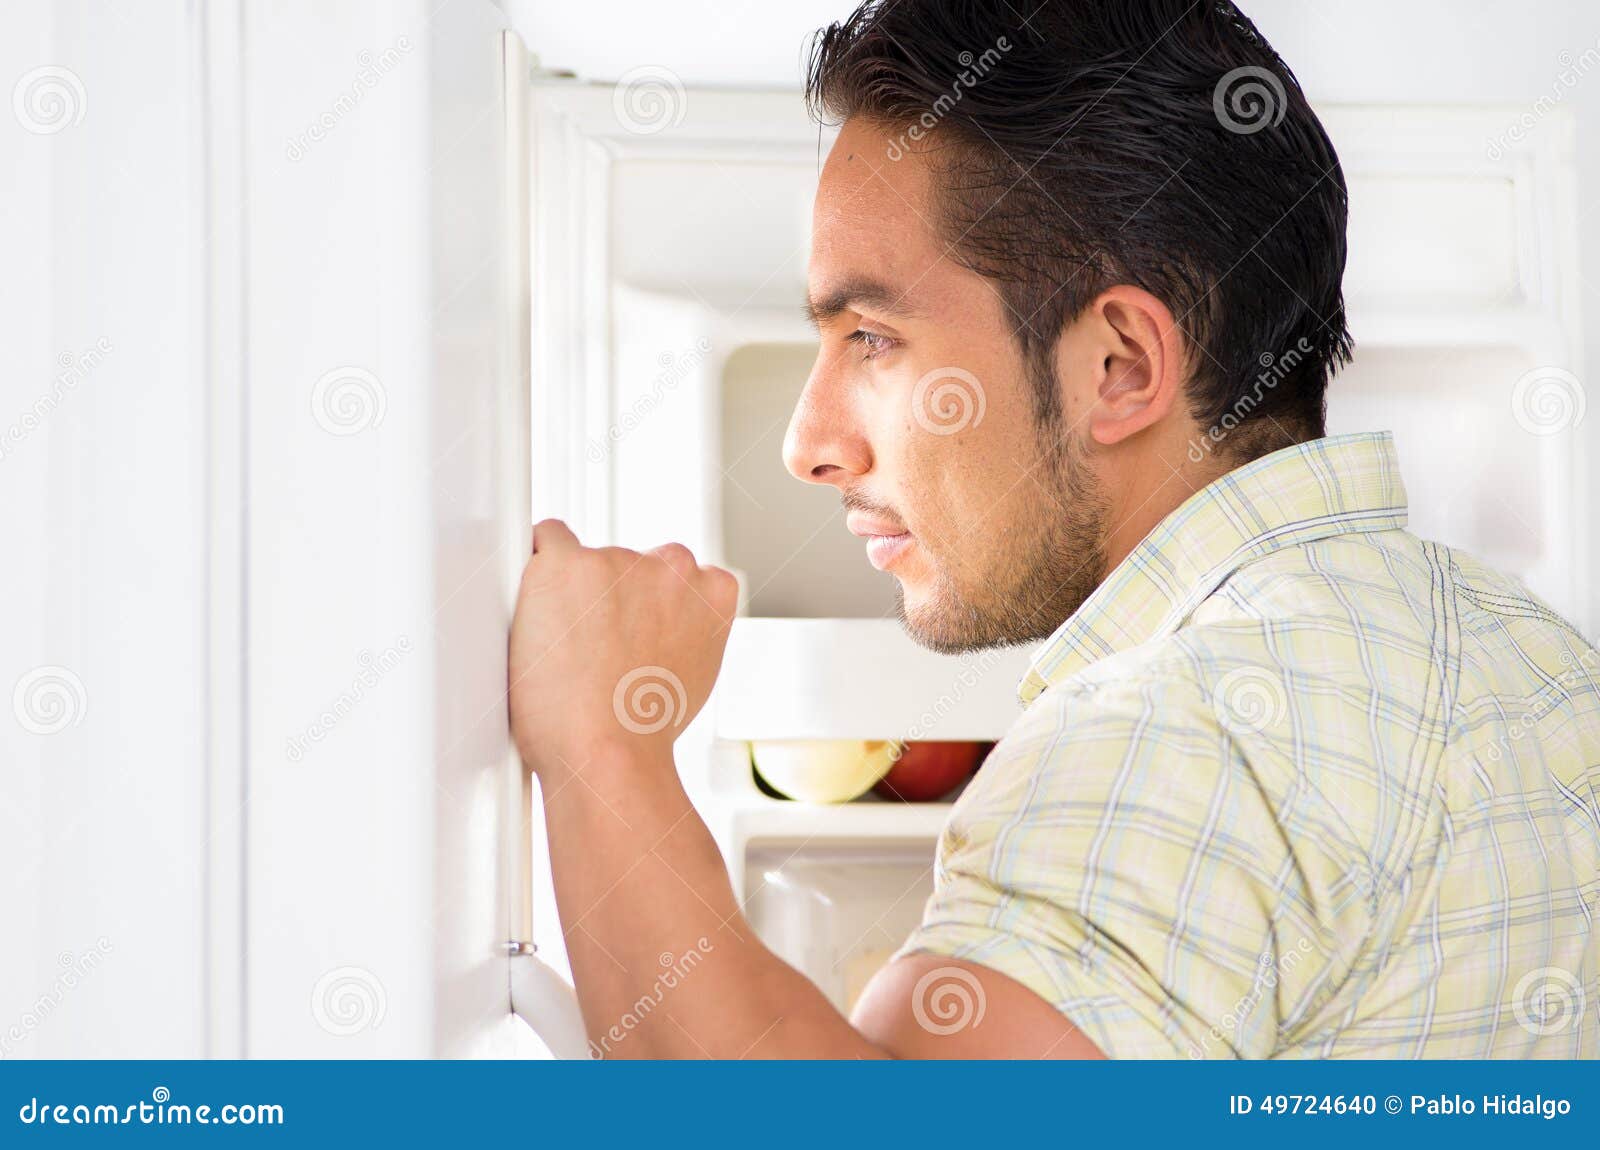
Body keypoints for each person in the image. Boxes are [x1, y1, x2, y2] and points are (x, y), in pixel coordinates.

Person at [506, 0, 1599, 1058]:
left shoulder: (1179, 732)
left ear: (1117, 364)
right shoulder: (1537, 658)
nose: (809, 443)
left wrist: (606, 749)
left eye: (874, 339)